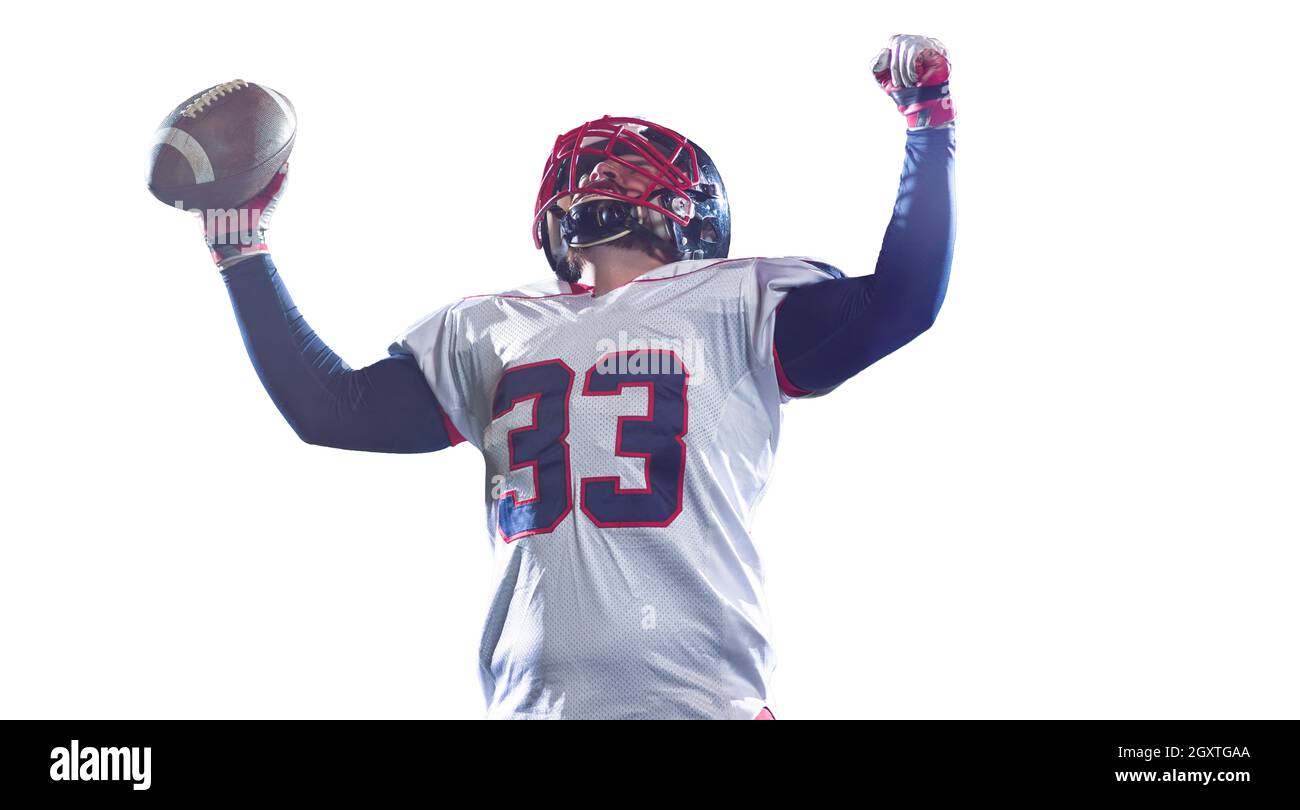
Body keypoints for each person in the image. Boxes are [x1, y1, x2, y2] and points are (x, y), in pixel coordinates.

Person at [202, 34, 956, 719]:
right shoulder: (489, 327)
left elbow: (902, 303)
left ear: (692, 210)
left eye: (622, 163)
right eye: (591, 163)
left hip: (700, 706)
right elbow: (331, 410)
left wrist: (929, 126)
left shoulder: (734, 300)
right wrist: (242, 250)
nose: (599, 171)